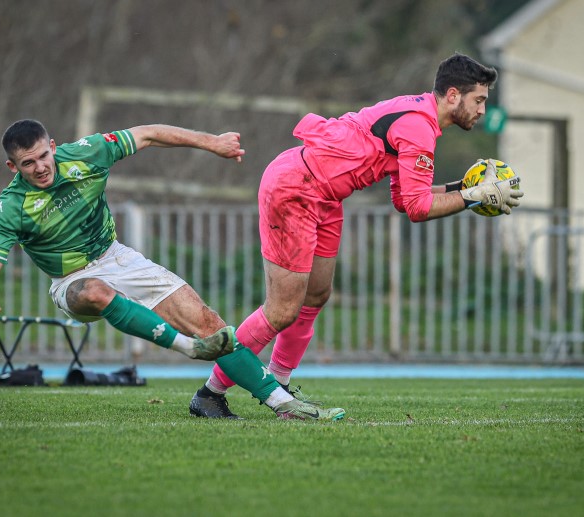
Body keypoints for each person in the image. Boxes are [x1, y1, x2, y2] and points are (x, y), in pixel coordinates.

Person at [189, 52, 523, 418]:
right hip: (296, 186)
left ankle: (281, 385)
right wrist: (472, 196)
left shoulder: (421, 118)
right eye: (479, 100)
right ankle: (210, 393)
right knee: (282, 309)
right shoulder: (419, 127)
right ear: (454, 95)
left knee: (316, 294)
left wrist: (462, 189)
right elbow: (417, 208)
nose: (482, 110)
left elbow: (403, 198)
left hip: (325, 194)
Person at [0, 119, 345, 421]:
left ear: (52, 146)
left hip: (118, 258)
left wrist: (212, 142)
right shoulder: (12, 206)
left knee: (210, 324)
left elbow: (148, 134)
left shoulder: (86, 154)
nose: (39, 168)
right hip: (70, 282)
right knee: (95, 292)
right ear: (12, 166)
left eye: (42, 157)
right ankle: (188, 348)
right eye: (27, 164)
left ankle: (283, 405)